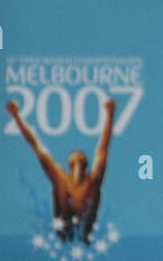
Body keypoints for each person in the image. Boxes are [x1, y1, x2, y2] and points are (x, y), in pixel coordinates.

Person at [7, 98, 116, 245]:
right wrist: (16, 116)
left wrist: (110, 114)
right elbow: (36, 146)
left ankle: (79, 238)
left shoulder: (93, 179)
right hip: (65, 235)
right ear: (70, 165)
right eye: (75, 158)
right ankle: (71, 237)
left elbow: (103, 150)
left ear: (85, 165)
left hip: (82, 236)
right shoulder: (61, 178)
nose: (78, 157)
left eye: (80, 158)